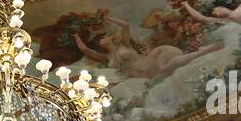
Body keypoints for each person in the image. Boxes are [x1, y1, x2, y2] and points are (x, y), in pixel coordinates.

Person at [74, 17, 223, 80]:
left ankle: (205, 51)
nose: (100, 40)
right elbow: (85, 50)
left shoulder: (124, 44)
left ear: (111, 38)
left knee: (165, 67)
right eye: (99, 39)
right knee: (165, 70)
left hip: (151, 61)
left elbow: (125, 25)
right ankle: (203, 51)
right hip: (144, 75)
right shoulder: (106, 57)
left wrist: (108, 19)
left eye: (102, 37)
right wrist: (75, 35)